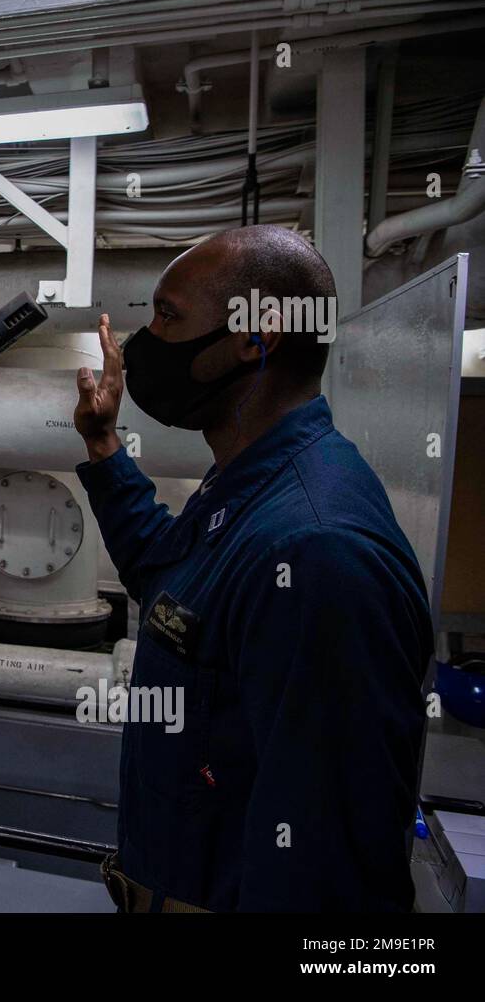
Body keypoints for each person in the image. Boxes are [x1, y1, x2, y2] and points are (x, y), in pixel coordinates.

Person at [72, 224, 433, 912]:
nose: (143, 343)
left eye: (169, 315)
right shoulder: (248, 485)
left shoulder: (315, 550)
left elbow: (329, 872)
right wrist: (105, 446)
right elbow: (170, 587)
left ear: (253, 338)